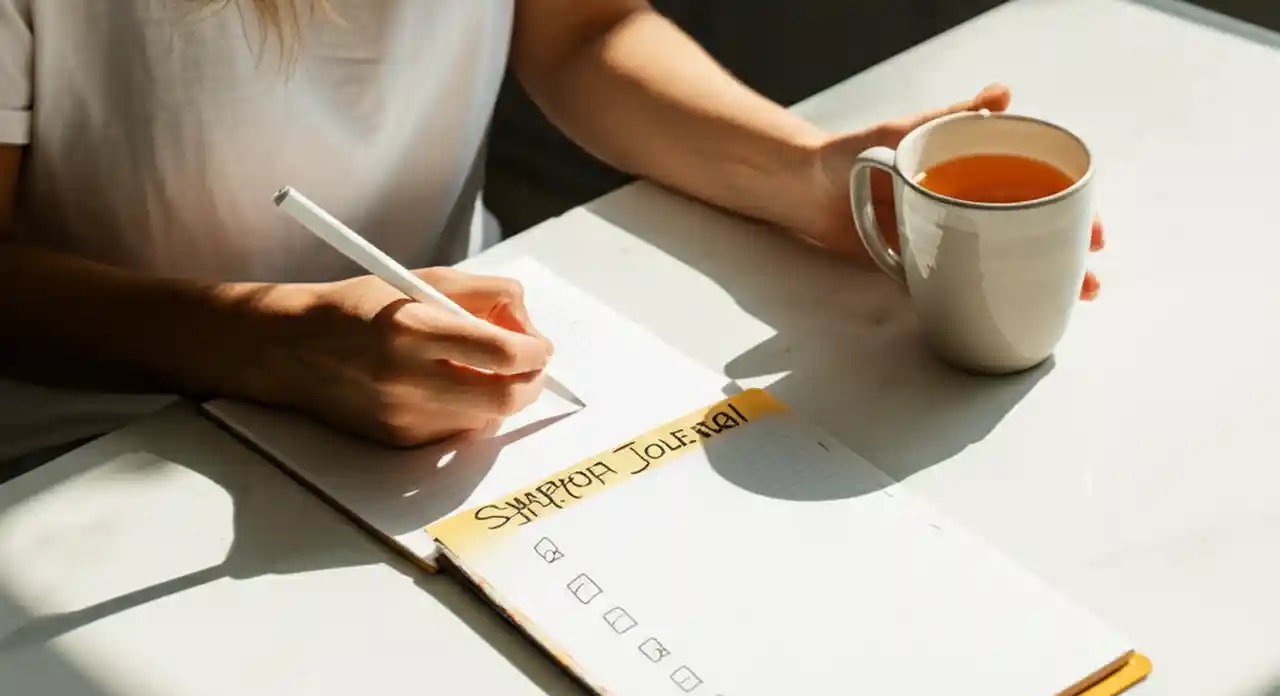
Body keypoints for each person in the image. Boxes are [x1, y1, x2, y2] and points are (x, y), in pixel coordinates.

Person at [0, 0, 1103, 475]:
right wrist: (272, 343)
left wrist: (800, 174)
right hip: (96, 447)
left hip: (454, 380)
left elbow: (583, 31)